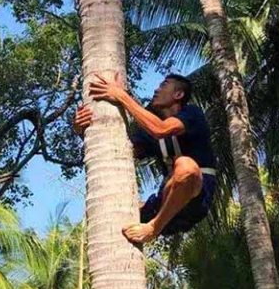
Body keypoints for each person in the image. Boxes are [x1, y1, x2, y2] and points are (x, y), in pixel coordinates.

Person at [73, 73, 217, 244]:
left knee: (185, 166)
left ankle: (152, 228)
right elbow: (117, 153)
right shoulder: (148, 132)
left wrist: (122, 96)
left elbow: (161, 129)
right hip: (166, 201)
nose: (156, 89)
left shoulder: (191, 114)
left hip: (196, 197)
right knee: (111, 213)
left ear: (178, 95)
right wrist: (84, 131)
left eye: (164, 85)